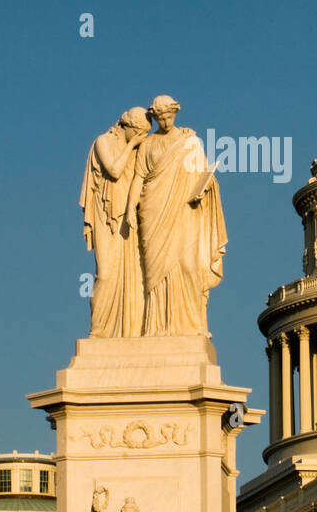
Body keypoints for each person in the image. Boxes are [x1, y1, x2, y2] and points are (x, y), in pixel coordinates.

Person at [127, 96, 227, 336]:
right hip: (153, 210)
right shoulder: (148, 145)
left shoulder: (189, 141)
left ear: (175, 113)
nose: (165, 122)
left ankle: (192, 325)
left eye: (169, 117)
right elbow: (139, 177)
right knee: (154, 272)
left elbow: (203, 173)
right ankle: (156, 327)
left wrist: (206, 186)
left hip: (185, 209)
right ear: (154, 118)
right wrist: (131, 208)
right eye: (160, 118)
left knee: (188, 265)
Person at [80, 108, 150, 337]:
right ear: (128, 126)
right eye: (139, 132)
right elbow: (114, 170)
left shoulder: (139, 148)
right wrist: (131, 146)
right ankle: (98, 331)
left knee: (134, 276)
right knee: (106, 273)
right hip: (106, 215)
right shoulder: (103, 141)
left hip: (128, 217)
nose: (142, 138)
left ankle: (130, 331)